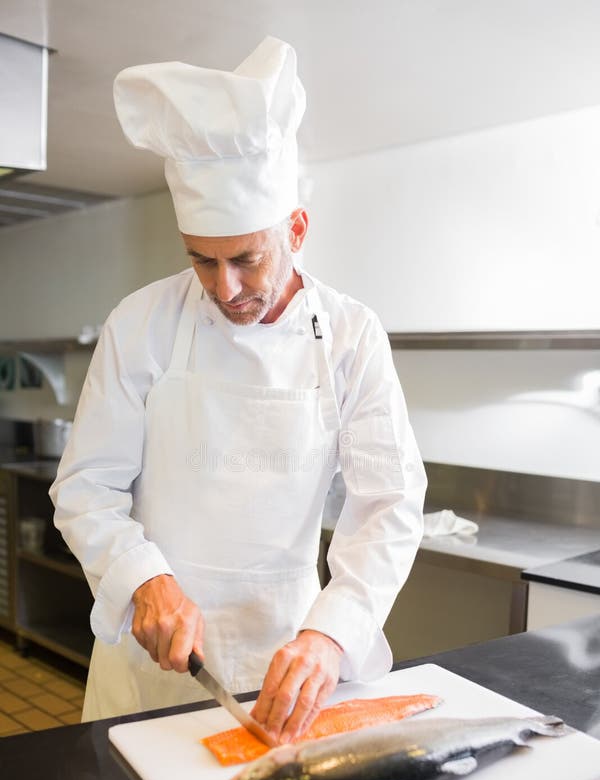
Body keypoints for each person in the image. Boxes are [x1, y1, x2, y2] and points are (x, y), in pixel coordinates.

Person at [49, 36, 427, 742]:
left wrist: (333, 635)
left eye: (246, 259)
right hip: (149, 664)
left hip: (285, 663)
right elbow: (85, 488)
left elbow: (389, 504)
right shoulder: (141, 324)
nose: (225, 289)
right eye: (202, 261)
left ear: (297, 230)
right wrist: (141, 578)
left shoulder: (350, 335)